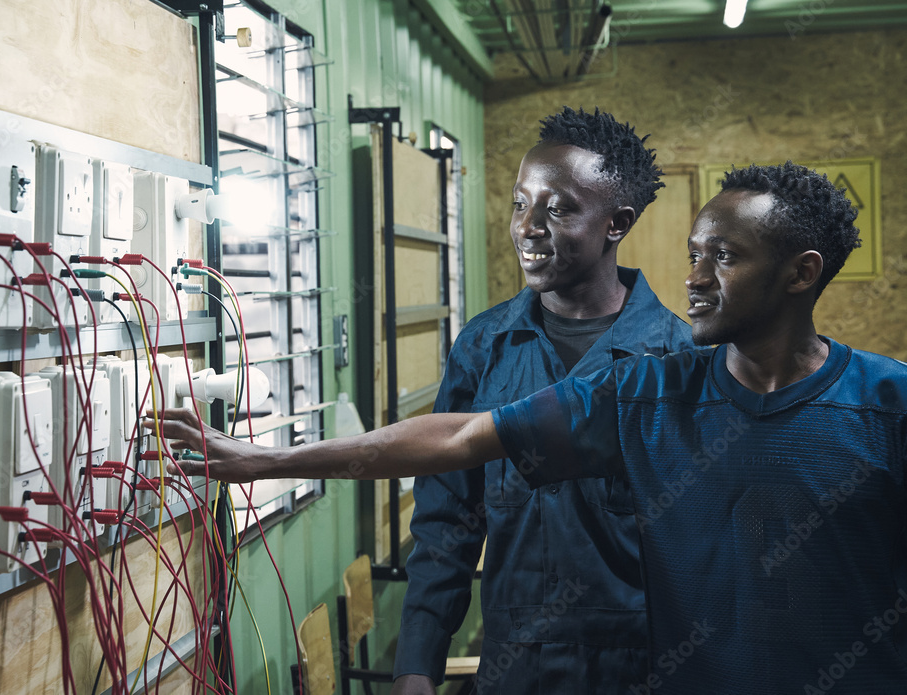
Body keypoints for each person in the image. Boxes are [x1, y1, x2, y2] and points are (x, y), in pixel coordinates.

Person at [150, 162, 907, 694]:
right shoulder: (644, 391)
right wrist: (266, 459)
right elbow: (457, 442)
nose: (696, 277)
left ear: (800, 274)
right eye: (694, 254)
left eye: (725, 257)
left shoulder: (888, 405)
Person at [393, 106, 692, 695]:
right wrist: (417, 663)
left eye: (557, 209)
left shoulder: (678, 360)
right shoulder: (484, 347)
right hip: (514, 665)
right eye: (519, 202)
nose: (527, 226)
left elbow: (700, 540)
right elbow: (448, 519)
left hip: (645, 667)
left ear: (616, 222)